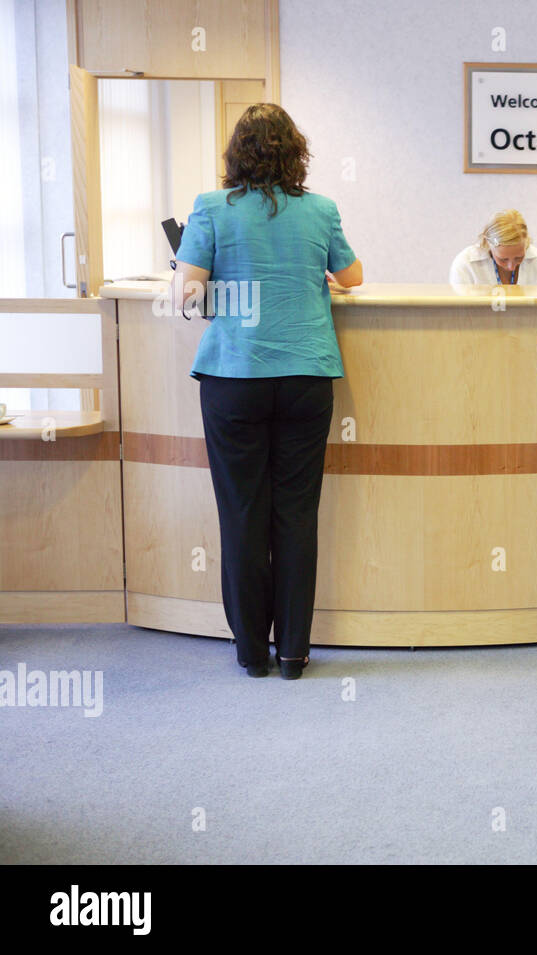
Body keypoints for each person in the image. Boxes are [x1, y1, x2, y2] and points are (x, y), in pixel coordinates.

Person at [172, 103, 362, 680]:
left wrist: (191, 274)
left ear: (236, 153)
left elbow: (187, 294)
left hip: (235, 380)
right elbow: (352, 277)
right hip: (306, 378)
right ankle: (295, 654)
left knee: (243, 514)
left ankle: (251, 652)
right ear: (295, 153)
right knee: (298, 516)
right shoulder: (321, 209)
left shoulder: (210, 208)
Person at [450, 210, 537, 285]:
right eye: (503, 259)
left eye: (518, 258)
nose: (511, 267)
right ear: (488, 244)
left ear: (526, 243)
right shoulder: (466, 264)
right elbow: (459, 312)